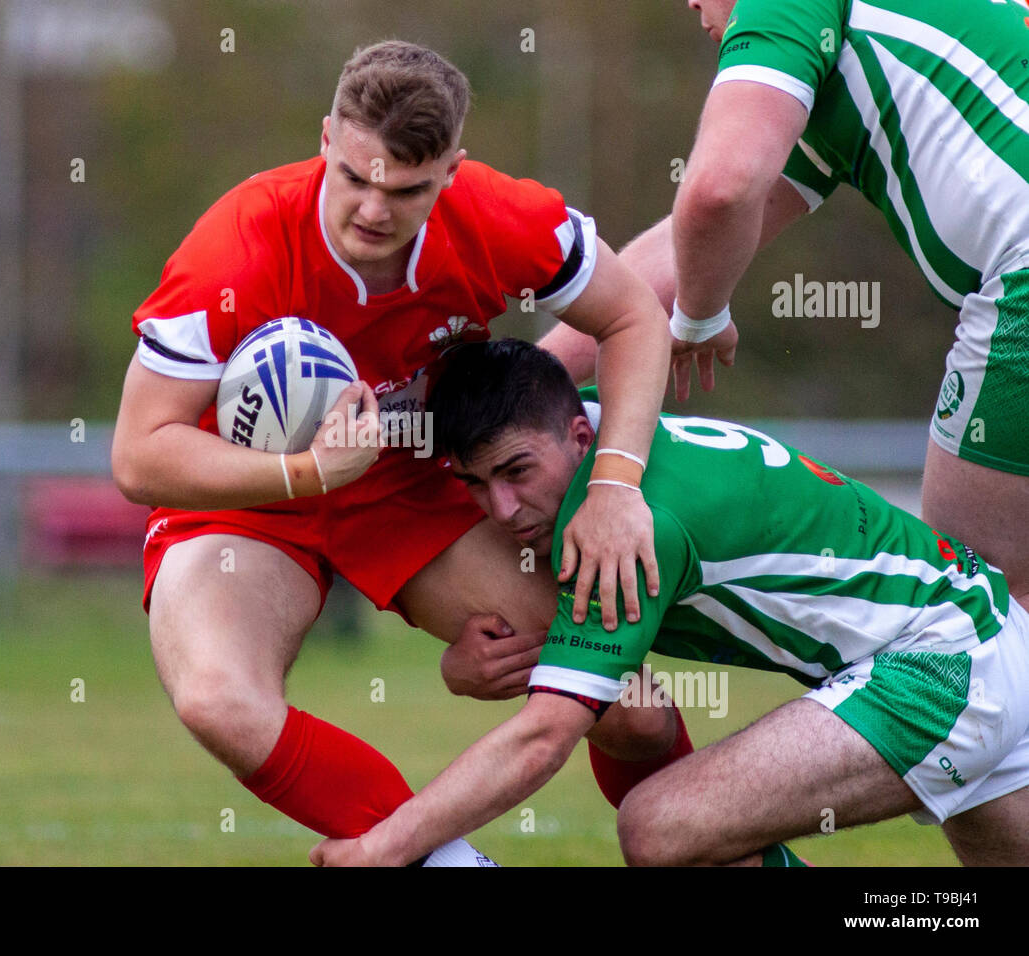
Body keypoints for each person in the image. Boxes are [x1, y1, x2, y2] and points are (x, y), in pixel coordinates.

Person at [110, 40, 682, 861]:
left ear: (452, 172)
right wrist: (303, 471)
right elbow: (138, 456)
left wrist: (616, 486)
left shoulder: (497, 218)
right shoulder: (236, 247)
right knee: (217, 699)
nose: (373, 210)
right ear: (326, 141)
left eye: (408, 189)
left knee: (626, 702)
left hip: (409, 492)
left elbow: (630, 318)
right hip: (247, 497)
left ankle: (725, 850)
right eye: (354, 177)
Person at [311, 339, 1029, 866]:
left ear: (579, 436)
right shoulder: (602, 436)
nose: (501, 508)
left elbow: (545, 737)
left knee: (660, 827)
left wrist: (387, 847)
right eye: (475, 483)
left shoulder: (619, 527)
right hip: (977, 634)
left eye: (515, 472)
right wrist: (461, 669)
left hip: (941, 666)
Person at [542, 0, 1029, 609]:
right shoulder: (846, 73)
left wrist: (701, 315)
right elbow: (683, 243)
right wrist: (529, 379)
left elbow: (719, 187)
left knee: (976, 605)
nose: (691, 3)